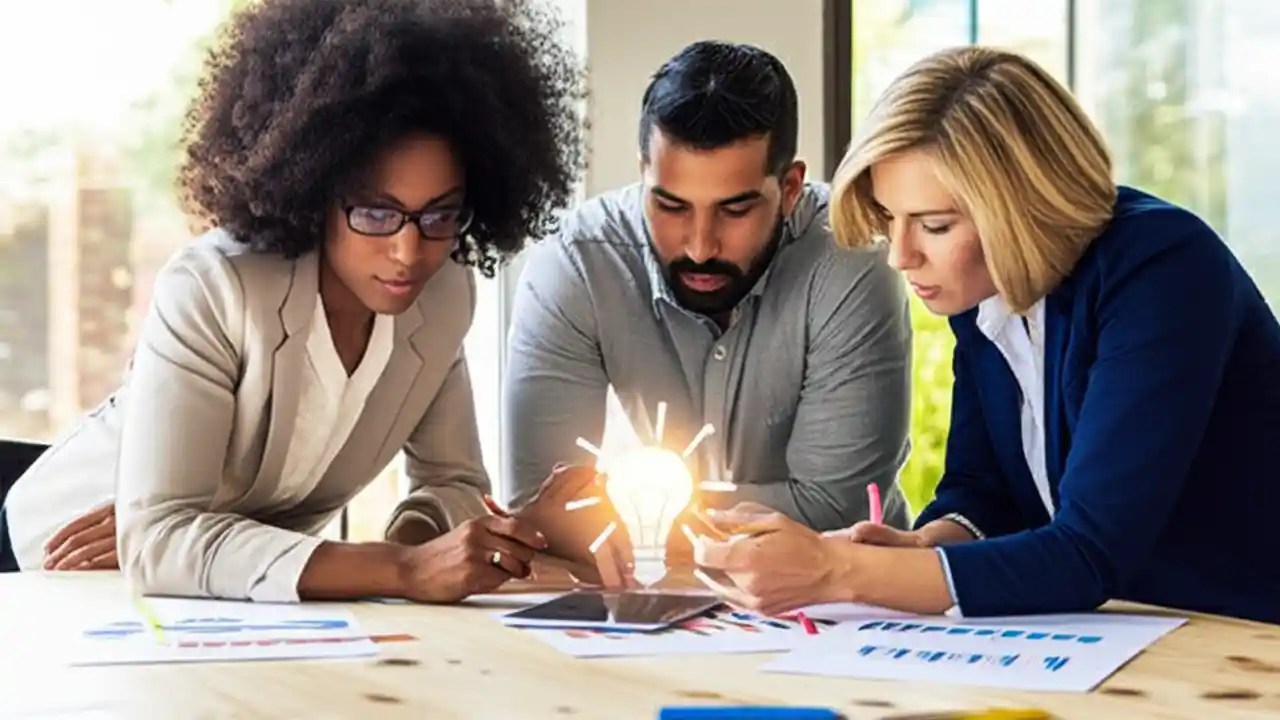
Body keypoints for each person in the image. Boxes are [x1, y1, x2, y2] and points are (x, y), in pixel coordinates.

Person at [2, 0, 605, 602]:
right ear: (316, 191)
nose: (407, 250)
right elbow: (159, 538)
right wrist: (406, 569)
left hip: (229, 591)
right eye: (375, 211)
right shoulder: (216, 287)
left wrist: (424, 547)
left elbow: (454, 482)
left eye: (439, 214)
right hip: (52, 568)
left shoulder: (442, 294)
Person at [694, 45, 1280, 625]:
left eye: (935, 225)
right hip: (1138, 634)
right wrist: (929, 546)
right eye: (889, 219)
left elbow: (1090, 552)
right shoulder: (983, 288)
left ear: (1020, 205)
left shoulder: (1163, 269)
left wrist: (836, 569)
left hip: (1245, 636)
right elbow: (981, 492)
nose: (901, 256)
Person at [502, 41, 913, 548]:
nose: (699, 247)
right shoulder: (577, 265)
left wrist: (625, 515)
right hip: (641, 599)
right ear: (643, 174)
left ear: (789, 189)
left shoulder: (850, 261)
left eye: (734, 210)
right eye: (671, 206)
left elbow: (830, 510)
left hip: (842, 610)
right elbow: (540, 511)